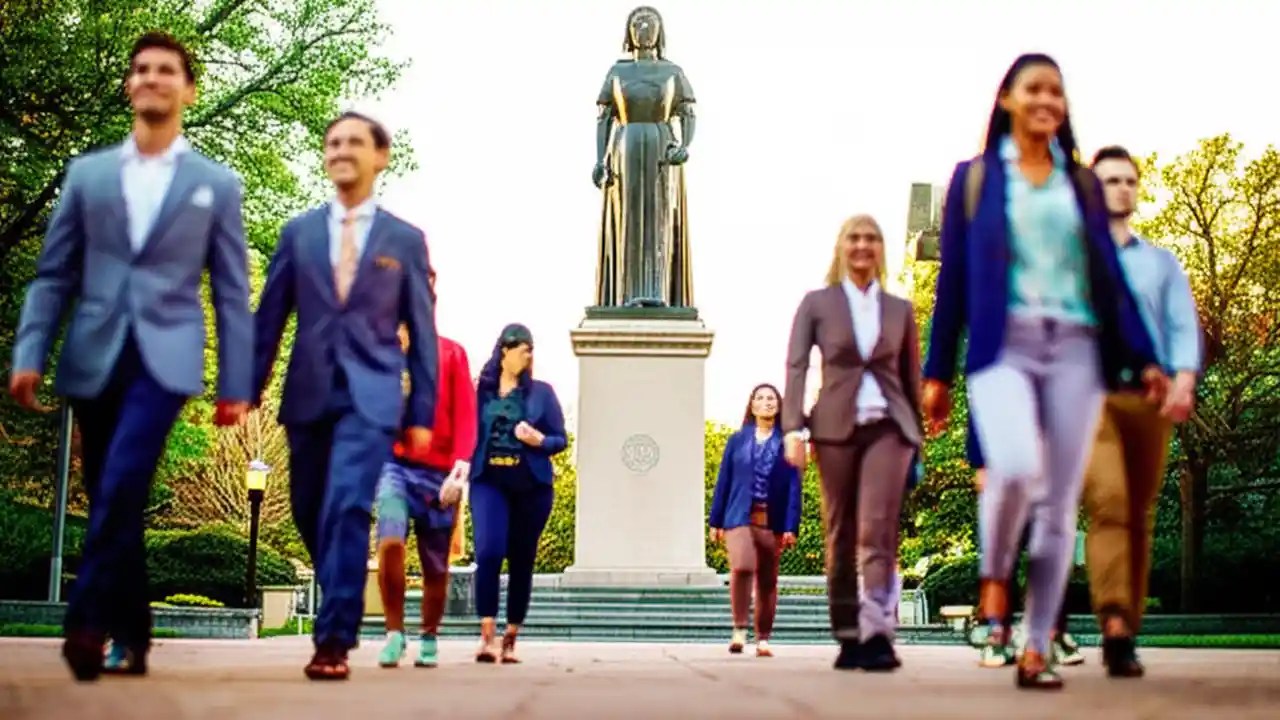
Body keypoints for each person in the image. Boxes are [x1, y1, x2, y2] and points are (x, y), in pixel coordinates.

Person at [8, 32, 252, 681]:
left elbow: (230, 290)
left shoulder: (215, 185)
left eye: (166, 70)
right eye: (141, 69)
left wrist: (237, 380)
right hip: (94, 351)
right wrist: (30, 351)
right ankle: (133, 634)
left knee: (121, 483)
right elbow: (54, 274)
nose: (151, 78)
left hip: (166, 358)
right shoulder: (87, 175)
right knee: (108, 494)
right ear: (129, 84)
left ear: (188, 89)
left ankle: (85, 622)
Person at [921, 53, 1165, 690]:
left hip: (1077, 349)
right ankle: (995, 577)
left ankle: (1036, 648)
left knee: (1058, 505)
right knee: (1016, 467)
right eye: (1034, 88)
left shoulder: (1080, 185)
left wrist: (1143, 357)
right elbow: (953, 281)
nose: (1046, 100)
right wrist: (937, 370)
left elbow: (1109, 281)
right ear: (1007, 99)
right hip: (1005, 348)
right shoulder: (973, 180)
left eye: (1056, 91)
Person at [253, 111, 439, 680]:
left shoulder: (404, 240)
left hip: (373, 395)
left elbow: (423, 331)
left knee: (347, 505)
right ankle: (338, 588)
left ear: (379, 156)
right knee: (311, 509)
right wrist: (246, 386)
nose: (341, 150)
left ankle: (333, 637)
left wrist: (421, 412)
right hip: (308, 390)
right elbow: (270, 318)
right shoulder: (299, 233)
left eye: (354, 142)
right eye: (333, 142)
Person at [782, 214, 923, 672]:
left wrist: (915, 438)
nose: (863, 246)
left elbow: (911, 379)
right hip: (834, 428)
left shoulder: (900, 310)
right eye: (854, 238)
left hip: (888, 428)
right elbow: (797, 367)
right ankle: (847, 633)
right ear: (841, 247)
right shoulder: (818, 304)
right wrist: (792, 429)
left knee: (877, 530)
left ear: (881, 250)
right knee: (841, 532)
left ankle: (879, 631)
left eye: (872, 238)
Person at [1082, 145, 1202, 678]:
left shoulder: (1161, 263)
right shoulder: (1075, 260)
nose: (1122, 189)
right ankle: (1111, 623)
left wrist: (1183, 380)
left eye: (1129, 180)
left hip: (1148, 400)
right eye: (1110, 180)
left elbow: (1181, 326)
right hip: (1089, 398)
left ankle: (1127, 627)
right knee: (1109, 502)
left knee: (1139, 514)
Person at [375, 267, 476, 669]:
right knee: (390, 541)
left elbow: (467, 417)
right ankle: (394, 633)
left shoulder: (451, 353)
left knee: (435, 563)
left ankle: (429, 635)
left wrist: (460, 469)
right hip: (394, 467)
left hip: (439, 475)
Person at [468, 324, 568, 663]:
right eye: (522, 348)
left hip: (531, 486)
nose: (528, 354)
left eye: (531, 349)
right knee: (489, 550)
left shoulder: (542, 393)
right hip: (489, 481)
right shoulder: (480, 392)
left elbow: (560, 439)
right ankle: (486, 637)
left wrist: (538, 440)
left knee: (522, 558)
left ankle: (511, 636)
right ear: (504, 352)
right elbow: (466, 434)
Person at [967, 422, 1081, 668]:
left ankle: (1054, 631)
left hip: (1050, 457)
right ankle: (997, 631)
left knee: (1049, 545)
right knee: (1001, 546)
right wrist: (979, 460)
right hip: (1004, 457)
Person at [709, 383, 802, 657]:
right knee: (742, 566)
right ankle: (739, 629)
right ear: (752, 406)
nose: (766, 402)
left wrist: (790, 526)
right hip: (738, 516)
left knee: (767, 580)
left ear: (778, 405)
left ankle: (762, 638)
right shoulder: (736, 441)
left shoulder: (789, 443)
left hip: (771, 519)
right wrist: (716, 521)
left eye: (771, 398)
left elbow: (794, 488)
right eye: (760, 398)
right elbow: (723, 481)